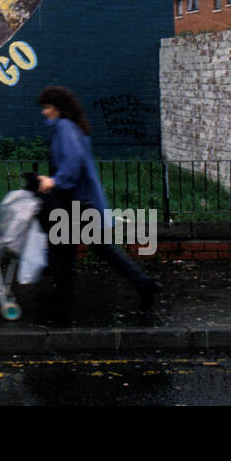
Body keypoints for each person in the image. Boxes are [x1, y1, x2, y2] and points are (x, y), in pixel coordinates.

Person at [35, 86, 161, 309]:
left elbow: (73, 161)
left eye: (47, 107)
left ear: (56, 108)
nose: (44, 112)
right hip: (79, 199)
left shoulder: (64, 127)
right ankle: (143, 284)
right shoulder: (72, 126)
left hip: (74, 200)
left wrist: (54, 181)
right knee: (83, 248)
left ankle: (62, 298)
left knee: (68, 249)